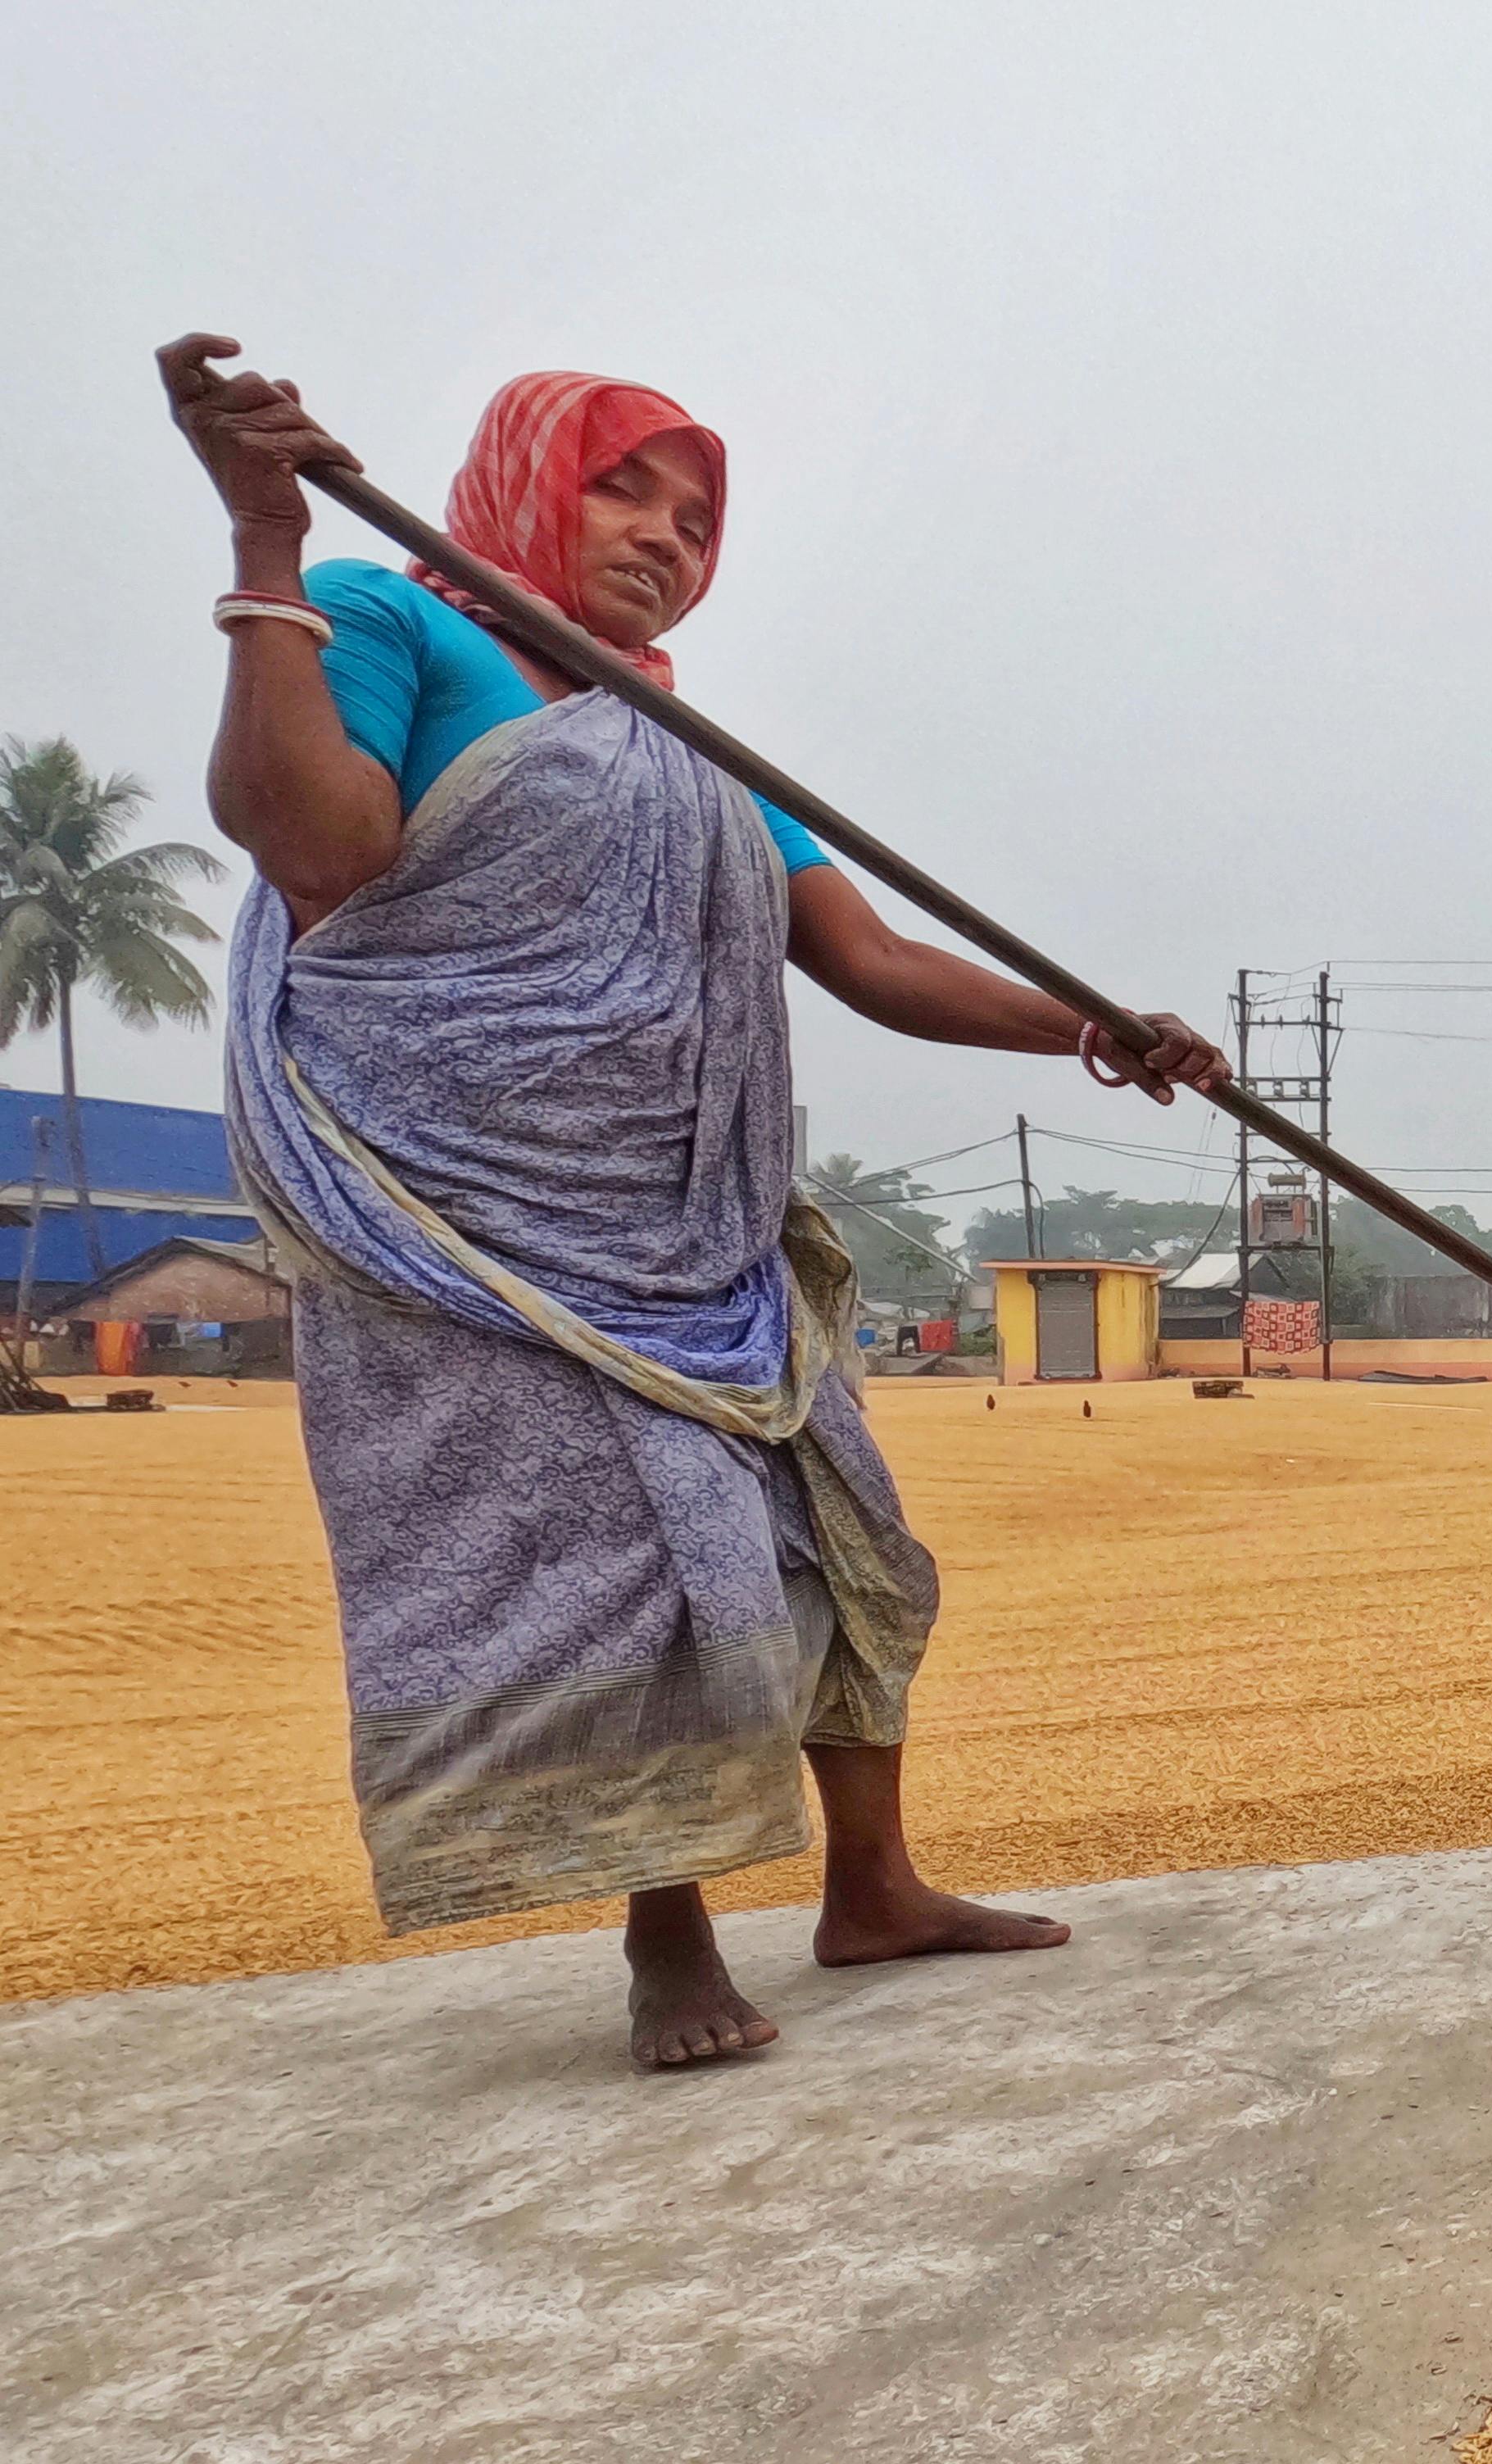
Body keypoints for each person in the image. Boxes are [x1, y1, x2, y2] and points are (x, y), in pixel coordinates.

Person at [160, 336, 1227, 2071]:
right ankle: (669, 1941)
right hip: (487, 1228)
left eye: (699, 516)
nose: (665, 535)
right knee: (654, 1569)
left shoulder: (682, 740)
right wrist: (267, 549)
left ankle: (872, 1889)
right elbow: (320, 845)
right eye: (621, 486)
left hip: (695, 1230)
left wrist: (1090, 1028)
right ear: (520, 482)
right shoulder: (392, 618)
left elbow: (868, 958)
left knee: (845, 1538)